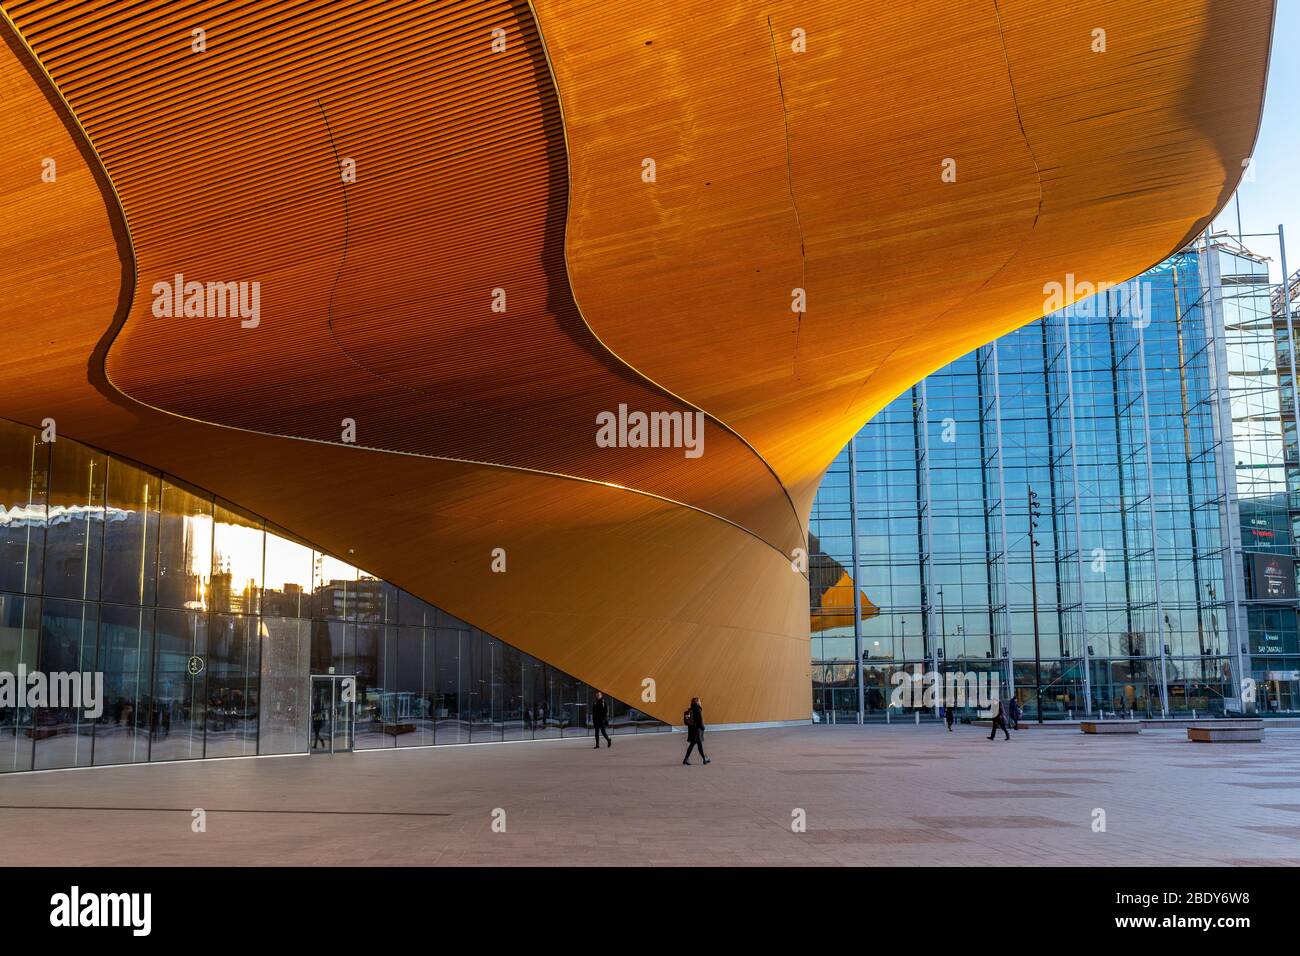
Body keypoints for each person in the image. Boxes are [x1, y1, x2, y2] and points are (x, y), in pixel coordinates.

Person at [683, 697, 710, 765]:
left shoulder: (691, 709)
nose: (700, 702)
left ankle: (686, 759)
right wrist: (703, 728)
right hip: (697, 730)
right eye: (699, 701)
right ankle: (704, 759)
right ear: (697, 702)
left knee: (692, 744)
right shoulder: (697, 709)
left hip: (692, 729)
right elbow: (699, 720)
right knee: (699, 744)